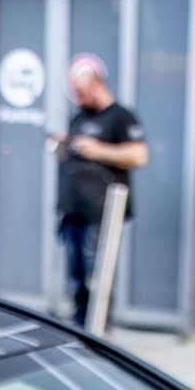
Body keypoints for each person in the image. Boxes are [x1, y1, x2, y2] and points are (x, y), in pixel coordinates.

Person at [46, 53, 145, 329]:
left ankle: (100, 331)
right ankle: (80, 329)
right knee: (75, 278)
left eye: (82, 93)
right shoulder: (78, 117)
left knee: (96, 277)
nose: (79, 100)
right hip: (73, 211)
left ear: (98, 84)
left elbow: (139, 155)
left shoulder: (121, 117)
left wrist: (99, 150)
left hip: (100, 214)